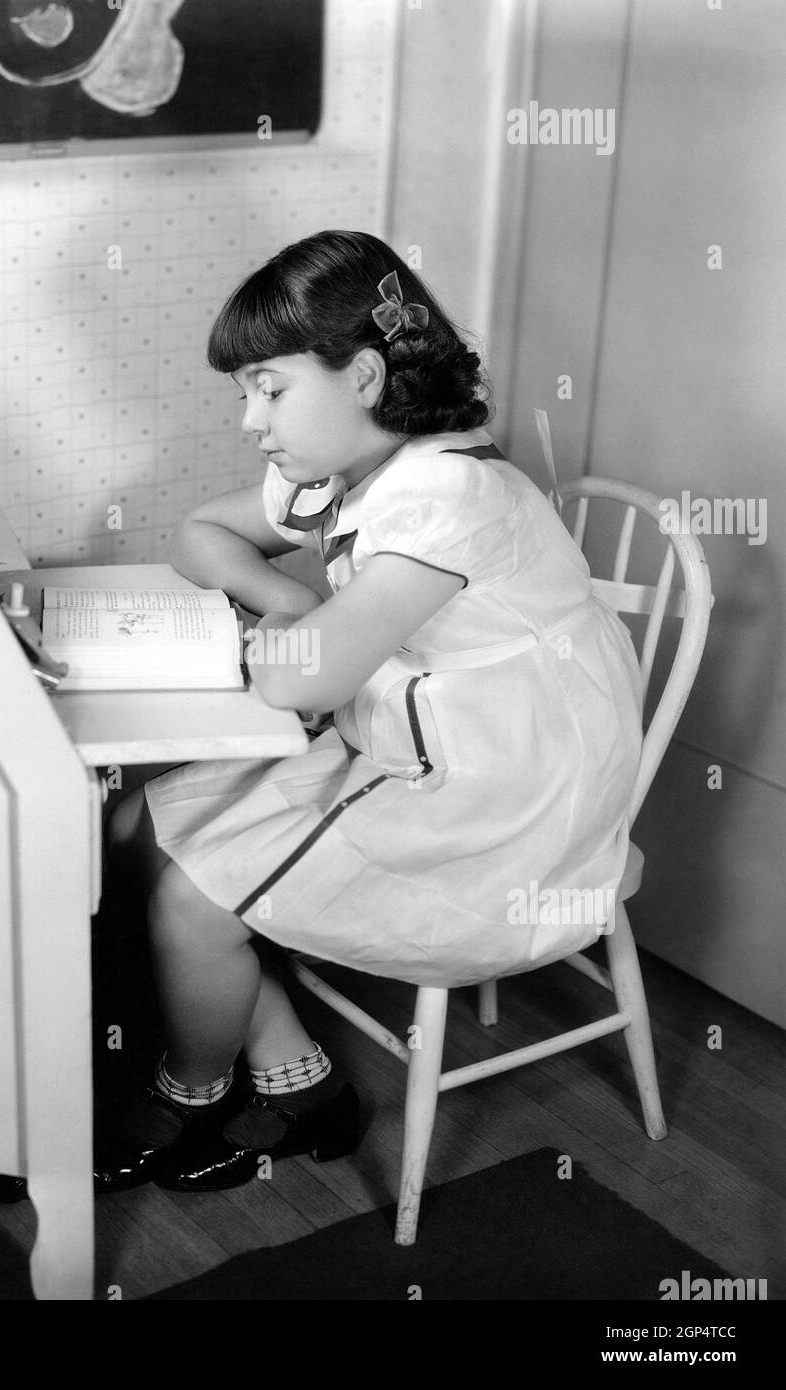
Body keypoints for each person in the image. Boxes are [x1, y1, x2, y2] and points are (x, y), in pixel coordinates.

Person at [95, 229, 642, 1195]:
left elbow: (296, 684)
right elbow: (199, 534)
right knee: (132, 825)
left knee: (188, 900)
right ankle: (296, 1079)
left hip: (499, 805)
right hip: (409, 743)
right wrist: (291, 602)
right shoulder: (351, 469)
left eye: (269, 388)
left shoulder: (449, 493)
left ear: (361, 374)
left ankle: (190, 1092)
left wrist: (296, 635)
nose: (249, 420)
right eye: (244, 394)